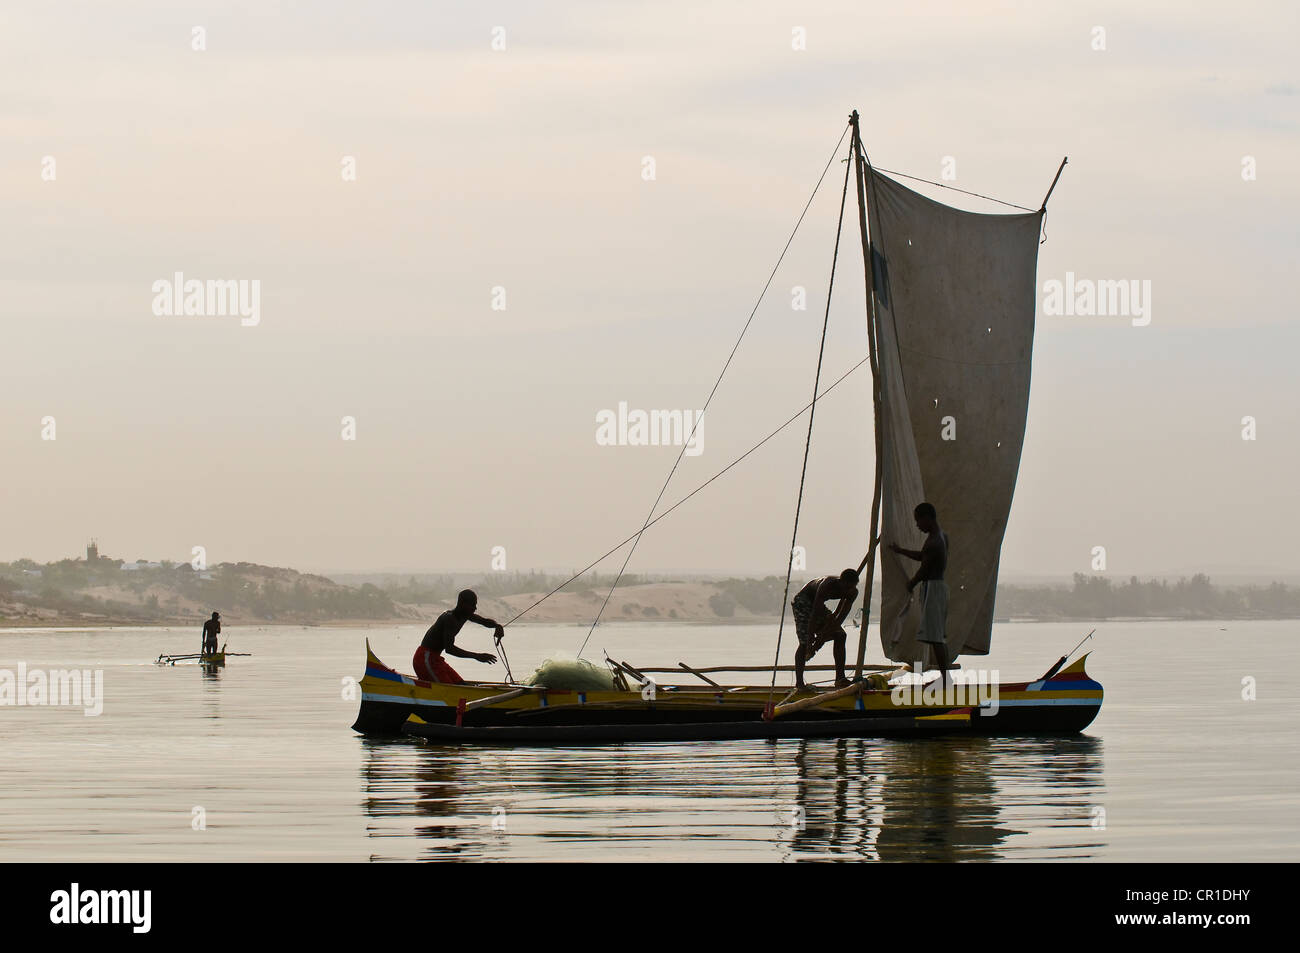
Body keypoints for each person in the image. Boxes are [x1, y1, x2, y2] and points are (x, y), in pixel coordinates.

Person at [889, 502, 951, 682]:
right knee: (938, 636)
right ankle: (945, 678)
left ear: (928, 518)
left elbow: (924, 568)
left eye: (918, 521)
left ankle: (945, 680)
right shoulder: (941, 537)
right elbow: (923, 557)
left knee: (936, 637)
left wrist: (911, 584)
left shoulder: (935, 541)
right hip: (938, 587)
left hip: (933, 588)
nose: (917, 525)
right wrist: (900, 551)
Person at [412, 589, 503, 684]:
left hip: (435, 659)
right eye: (472, 605)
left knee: (462, 685)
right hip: (424, 658)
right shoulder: (449, 618)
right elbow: (450, 649)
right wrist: (477, 656)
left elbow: (484, 621)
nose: (475, 608)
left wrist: (497, 626)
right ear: (462, 604)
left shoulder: (466, 615)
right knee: (448, 689)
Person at [792, 568, 859, 689]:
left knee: (840, 635)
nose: (848, 590)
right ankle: (799, 683)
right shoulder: (827, 586)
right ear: (840, 582)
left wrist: (820, 640)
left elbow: (839, 620)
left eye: (851, 587)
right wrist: (811, 641)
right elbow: (814, 614)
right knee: (804, 642)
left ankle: (840, 678)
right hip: (803, 602)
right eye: (846, 587)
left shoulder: (852, 593)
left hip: (818, 606)